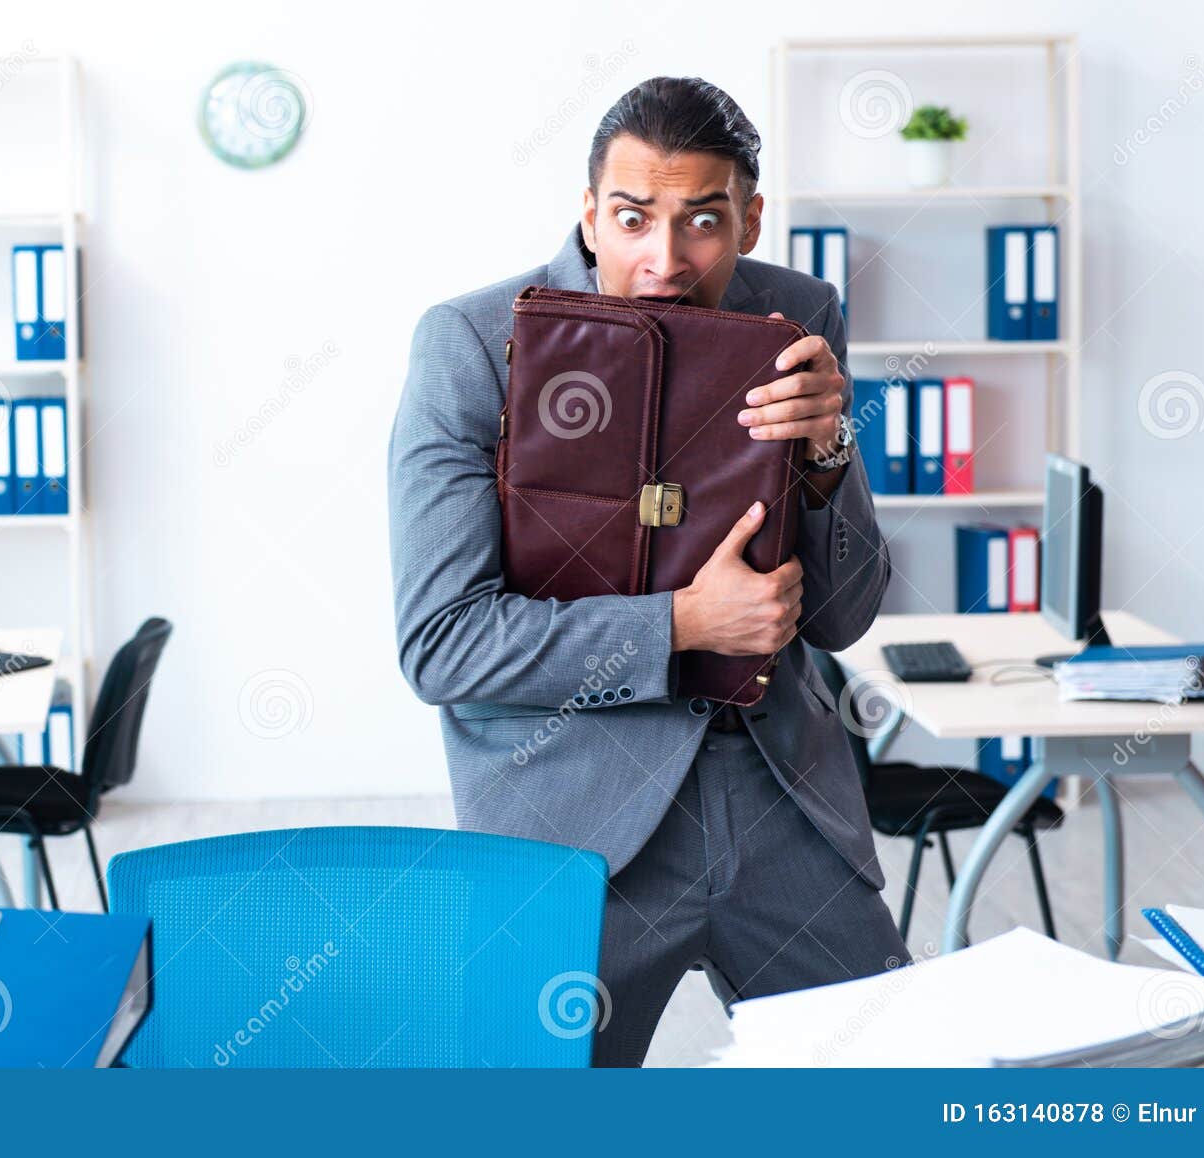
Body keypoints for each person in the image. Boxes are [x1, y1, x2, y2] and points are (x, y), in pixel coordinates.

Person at [387, 76, 910, 1067]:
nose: (663, 261)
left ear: (750, 219)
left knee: (888, 1085)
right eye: (631, 219)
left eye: (703, 222)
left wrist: (830, 451)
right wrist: (679, 623)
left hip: (778, 796)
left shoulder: (797, 319)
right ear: (588, 213)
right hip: (568, 816)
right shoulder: (469, 345)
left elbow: (840, 619)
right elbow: (439, 645)